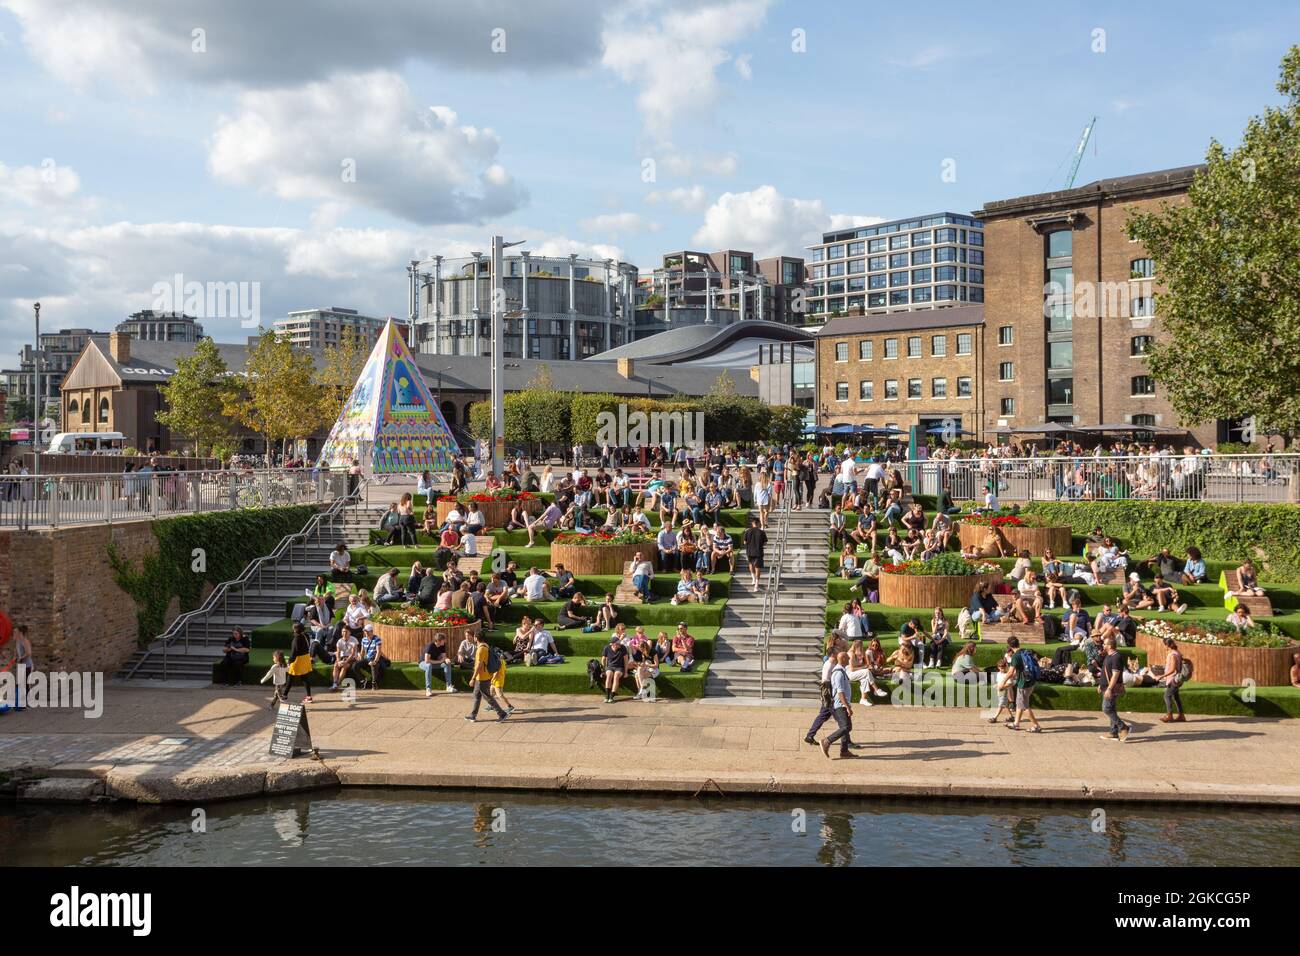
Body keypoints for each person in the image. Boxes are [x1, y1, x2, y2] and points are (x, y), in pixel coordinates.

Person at [465, 632, 509, 722]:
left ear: (476, 638)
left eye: (474, 637)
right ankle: (473, 715)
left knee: (488, 697)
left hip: (482, 678)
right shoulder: (485, 646)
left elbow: (479, 665)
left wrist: (473, 678)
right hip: (483, 676)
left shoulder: (481, 650)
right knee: (477, 695)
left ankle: (502, 714)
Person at [821, 652, 856, 760]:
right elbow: (840, 692)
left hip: (842, 704)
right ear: (843, 658)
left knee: (846, 727)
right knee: (845, 727)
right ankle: (827, 741)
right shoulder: (839, 673)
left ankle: (844, 751)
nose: (850, 658)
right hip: (840, 705)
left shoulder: (841, 671)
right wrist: (847, 706)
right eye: (848, 657)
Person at [1004, 636, 1042, 733]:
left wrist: (1002, 682)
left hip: (1023, 683)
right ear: (1018, 643)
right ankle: (1016, 723)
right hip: (1031, 681)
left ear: (1009, 645)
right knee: (1020, 704)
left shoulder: (1015, 656)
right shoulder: (1025, 651)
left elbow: (1010, 672)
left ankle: (1036, 725)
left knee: (1024, 706)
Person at [1098, 635, 1131, 742]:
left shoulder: (1116, 657)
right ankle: (1113, 732)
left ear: (1110, 645)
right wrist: (1100, 684)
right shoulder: (1109, 656)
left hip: (1111, 688)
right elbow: (1105, 671)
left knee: (1106, 709)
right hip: (1106, 686)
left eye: (1105, 644)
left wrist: (1109, 689)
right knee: (1111, 709)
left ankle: (1123, 727)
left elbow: (1115, 675)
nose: (1103, 645)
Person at [1158, 637, 1187, 723]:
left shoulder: (1173, 655)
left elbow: (1173, 669)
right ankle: (1181, 716)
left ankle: (1169, 715)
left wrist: (1162, 676)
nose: (1164, 647)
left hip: (1173, 679)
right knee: (1176, 697)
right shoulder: (1177, 653)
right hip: (1177, 679)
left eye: (1165, 645)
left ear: (1167, 645)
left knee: (1167, 696)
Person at [419, 632, 457, 697]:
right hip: (423, 663)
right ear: (439, 641)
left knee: (447, 664)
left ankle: (448, 686)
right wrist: (440, 661)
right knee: (429, 665)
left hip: (434, 662)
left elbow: (443, 656)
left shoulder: (443, 645)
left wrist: (446, 659)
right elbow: (427, 661)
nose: (445, 641)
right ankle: (428, 689)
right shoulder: (430, 646)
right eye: (443, 640)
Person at [285, 624, 315, 703]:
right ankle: (309, 697)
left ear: (295, 630)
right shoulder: (306, 635)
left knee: (290, 678)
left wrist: (289, 661)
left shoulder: (296, 639)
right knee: (305, 678)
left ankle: (284, 695)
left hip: (298, 660)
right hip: (305, 658)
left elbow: (294, 652)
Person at [601, 634, 628, 703]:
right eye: (618, 643)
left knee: (616, 676)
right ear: (612, 644)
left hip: (619, 667)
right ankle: (607, 696)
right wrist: (603, 670)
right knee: (609, 675)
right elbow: (603, 660)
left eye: (619, 643)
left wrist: (626, 672)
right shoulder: (607, 648)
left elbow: (626, 660)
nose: (619, 644)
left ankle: (611, 696)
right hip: (610, 666)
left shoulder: (623, 648)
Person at [743, 516, 767, 591]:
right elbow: (765, 543)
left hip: (749, 551)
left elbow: (744, 542)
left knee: (751, 564)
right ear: (758, 523)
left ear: (752, 523)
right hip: (758, 552)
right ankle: (756, 585)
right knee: (757, 567)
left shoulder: (747, 531)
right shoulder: (762, 532)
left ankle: (753, 578)